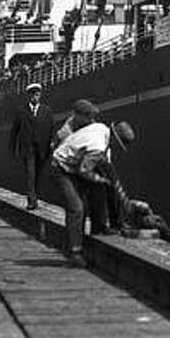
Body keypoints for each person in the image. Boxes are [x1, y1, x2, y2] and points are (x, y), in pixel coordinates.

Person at [49, 99, 112, 265]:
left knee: (87, 200)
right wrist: (98, 178)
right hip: (62, 166)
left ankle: (96, 230)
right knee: (76, 207)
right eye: (88, 116)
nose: (92, 119)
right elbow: (83, 167)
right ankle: (74, 252)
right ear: (77, 115)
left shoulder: (98, 129)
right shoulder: (68, 128)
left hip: (76, 163)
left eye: (92, 116)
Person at [9, 82, 54, 210]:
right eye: (33, 95)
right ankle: (31, 201)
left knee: (38, 175)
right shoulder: (21, 111)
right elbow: (14, 131)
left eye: (38, 95)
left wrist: (51, 144)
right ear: (29, 96)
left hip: (42, 149)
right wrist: (12, 149)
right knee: (30, 174)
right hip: (27, 148)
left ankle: (35, 197)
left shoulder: (46, 111)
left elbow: (51, 128)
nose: (36, 97)